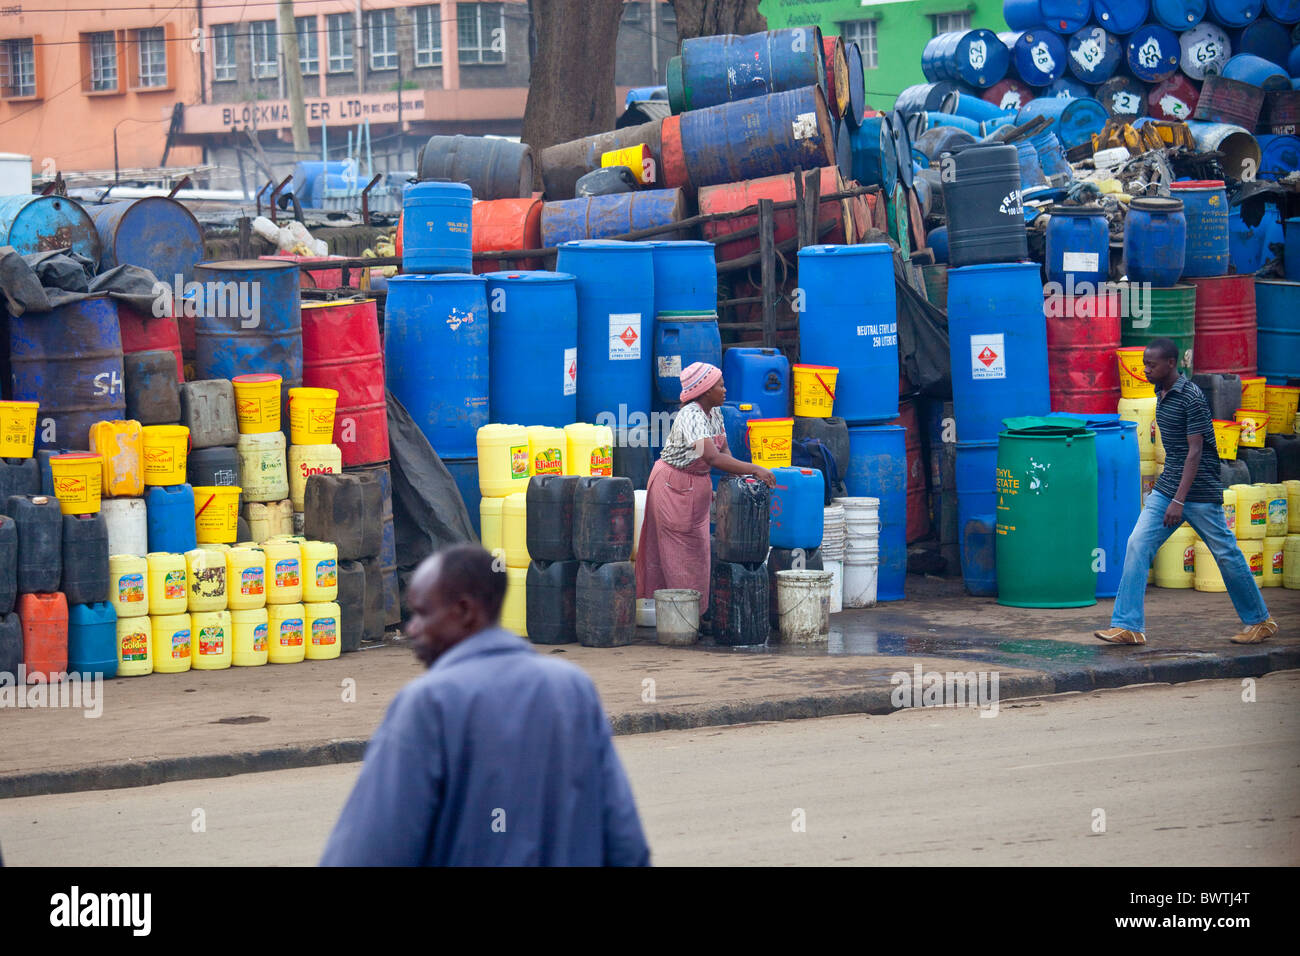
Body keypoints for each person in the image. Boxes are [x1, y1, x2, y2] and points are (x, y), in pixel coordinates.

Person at [320, 545, 651, 866]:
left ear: (464, 612)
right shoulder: (573, 689)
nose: (411, 630)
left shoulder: (428, 703)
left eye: (422, 613)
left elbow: (370, 850)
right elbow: (625, 841)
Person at [1095, 338, 1277, 646]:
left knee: (1226, 554)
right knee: (1137, 543)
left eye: (1151, 365)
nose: (1145, 370)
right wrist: (1171, 495)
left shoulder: (1191, 397)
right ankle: (1129, 626)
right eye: (1144, 363)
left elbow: (1196, 452)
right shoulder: (1160, 390)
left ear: (1171, 364)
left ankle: (1260, 621)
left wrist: (1179, 501)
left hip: (1199, 491)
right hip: (1169, 486)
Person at [636, 362, 777, 616]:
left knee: (699, 555)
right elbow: (712, 457)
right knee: (678, 557)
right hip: (673, 487)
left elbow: (724, 450)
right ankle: (681, 620)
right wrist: (754, 469)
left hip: (696, 488)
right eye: (720, 386)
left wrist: (735, 479)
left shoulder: (715, 413)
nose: (725, 390)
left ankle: (696, 617)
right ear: (704, 390)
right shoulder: (691, 415)